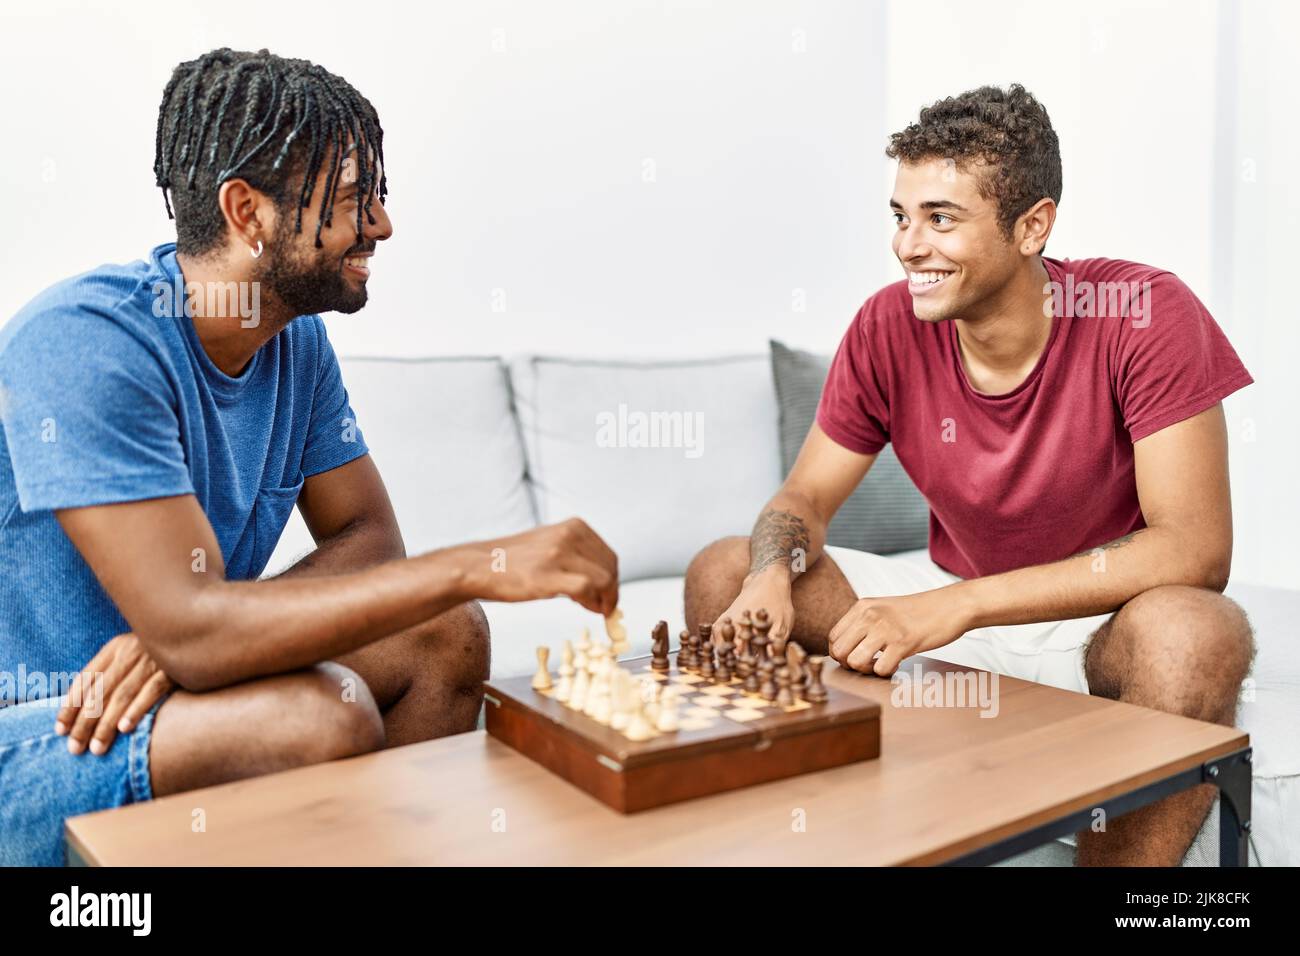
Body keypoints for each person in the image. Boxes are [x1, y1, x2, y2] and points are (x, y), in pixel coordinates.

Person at [0, 48, 619, 866]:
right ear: (246, 211)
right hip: (37, 732)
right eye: (355, 200)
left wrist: (184, 636)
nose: (383, 226)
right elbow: (195, 629)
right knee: (320, 714)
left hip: (170, 693)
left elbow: (367, 539)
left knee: (445, 634)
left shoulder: (296, 344)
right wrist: (476, 563)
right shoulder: (85, 342)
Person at [684, 84, 1255, 866]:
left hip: (1100, 620)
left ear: (1033, 226)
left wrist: (954, 606)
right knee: (724, 570)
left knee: (1193, 633)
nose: (908, 246)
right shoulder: (886, 324)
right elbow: (805, 498)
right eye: (901, 216)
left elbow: (1195, 550)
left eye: (941, 219)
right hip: (951, 623)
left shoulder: (1143, 311)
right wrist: (770, 572)